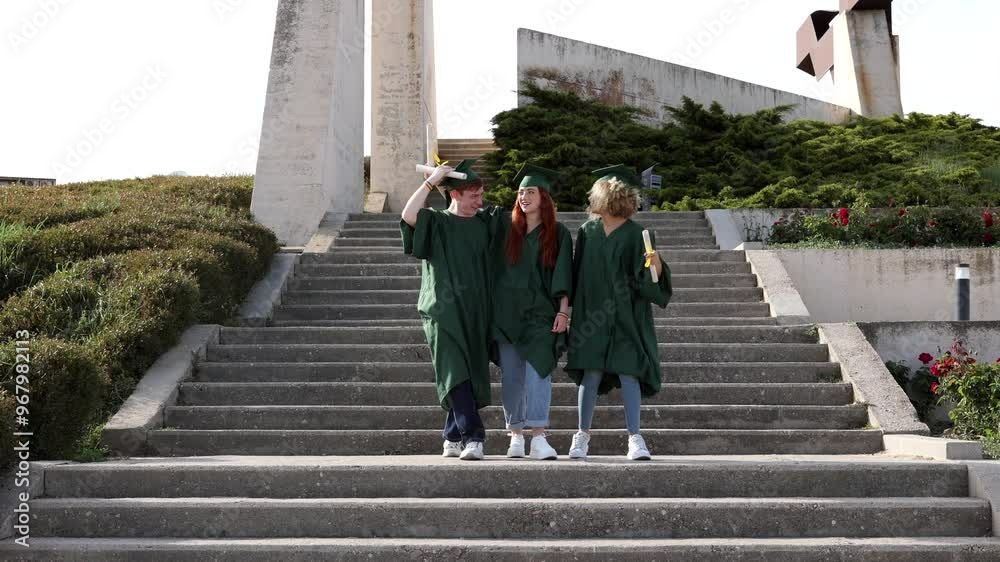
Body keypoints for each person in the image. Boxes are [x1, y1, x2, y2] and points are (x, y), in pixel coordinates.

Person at [564, 164, 673, 461]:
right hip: (593, 315)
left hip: (627, 315)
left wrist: (657, 263)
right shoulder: (587, 232)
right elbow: (579, 274)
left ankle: (635, 438)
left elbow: (650, 278)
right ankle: (581, 436)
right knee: (591, 371)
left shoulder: (638, 233)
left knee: (629, 371)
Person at [400, 159, 504, 461]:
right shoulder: (437, 221)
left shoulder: (485, 223)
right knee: (453, 367)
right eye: (474, 196)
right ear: (455, 194)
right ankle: (474, 436)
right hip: (441, 311)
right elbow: (408, 215)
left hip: (476, 310)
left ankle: (452, 435)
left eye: (481, 196)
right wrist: (431, 181)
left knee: (468, 372)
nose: (480, 202)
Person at [492, 164, 573, 461]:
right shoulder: (505, 228)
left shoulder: (557, 233)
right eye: (521, 192)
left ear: (544, 197)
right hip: (507, 315)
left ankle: (539, 437)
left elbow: (564, 273)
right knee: (511, 375)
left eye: (530, 191)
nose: (524, 197)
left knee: (540, 370)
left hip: (541, 314)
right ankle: (515, 435)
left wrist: (564, 312)